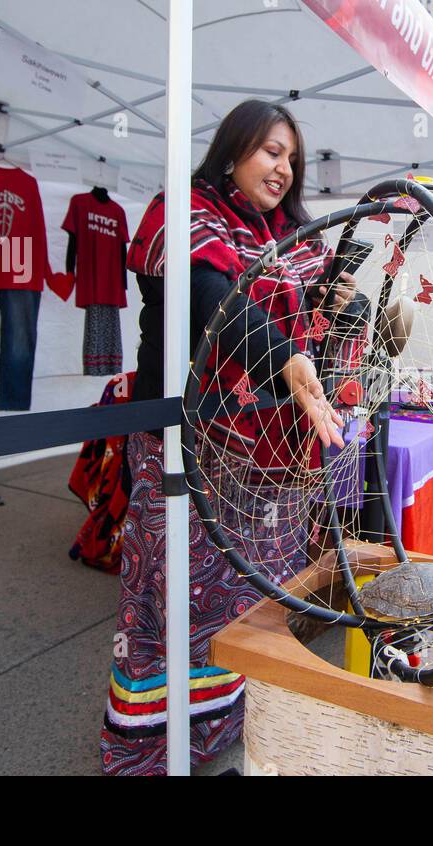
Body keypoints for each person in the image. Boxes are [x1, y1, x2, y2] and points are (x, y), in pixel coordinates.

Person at [102, 99, 355, 775]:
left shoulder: (293, 239)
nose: (284, 168)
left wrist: (335, 303)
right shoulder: (184, 211)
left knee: (250, 599)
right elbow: (215, 305)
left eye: (293, 158)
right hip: (187, 444)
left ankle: (222, 738)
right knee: (174, 599)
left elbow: (314, 331)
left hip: (267, 463)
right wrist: (287, 359)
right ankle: (154, 751)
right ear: (234, 147)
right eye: (272, 150)